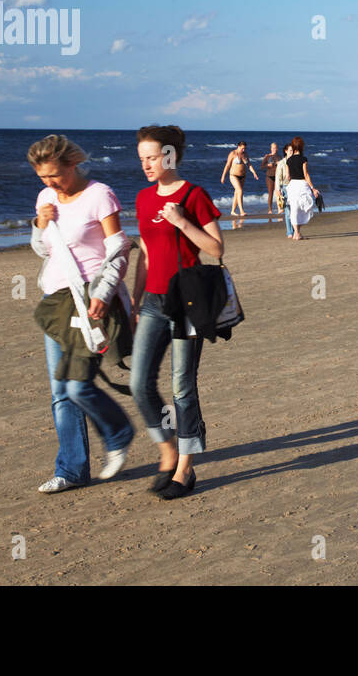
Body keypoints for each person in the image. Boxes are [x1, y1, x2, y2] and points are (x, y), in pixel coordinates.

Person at [28, 134, 135, 493]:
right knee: (60, 390)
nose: (50, 183)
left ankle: (119, 433)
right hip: (57, 302)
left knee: (76, 385)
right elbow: (41, 251)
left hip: (91, 299)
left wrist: (104, 293)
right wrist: (39, 224)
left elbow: (120, 248)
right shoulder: (45, 197)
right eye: (43, 177)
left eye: (55, 175)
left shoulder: (99, 195)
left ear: (72, 164)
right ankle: (71, 470)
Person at [131, 124, 224, 500]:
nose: (146, 165)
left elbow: (216, 249)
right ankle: (167, 448)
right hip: (153, 302)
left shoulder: (194, 195)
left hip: (187, 303)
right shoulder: (142, 198)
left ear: (170, 156)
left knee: (182, 385)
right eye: (142, 159)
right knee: (139, 384)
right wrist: (134, 299)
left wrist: (182, 222)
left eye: (152, 157)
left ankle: (186, 468)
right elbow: (146, 253)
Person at [282, 136, 319, 240]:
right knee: (307, 206)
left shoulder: (288, 160)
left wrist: (284, 187)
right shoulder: (303, 159)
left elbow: (288, 176)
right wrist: (313, 188)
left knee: (294, 209)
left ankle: (296, 233)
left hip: (292, 185)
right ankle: (297, 233)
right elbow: (306, 174)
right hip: (302, 185)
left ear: (293, 147)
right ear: (302, 146)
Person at [220, 141, 256, 218]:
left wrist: (254, 173)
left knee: (237, 193)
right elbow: (227, 165)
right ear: (238, 146)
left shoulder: (245, 154)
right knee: (240, 190)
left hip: (243, 176)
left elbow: (249, 164)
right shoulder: (233, 153)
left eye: (245, 148)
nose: (243, 150)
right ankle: (241, 210)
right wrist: (223, 176)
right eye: (242, 148)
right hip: (233, 175)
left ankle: (232, 211)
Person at [273, 140, 293, 237]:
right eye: (290, 150)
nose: (292, 152)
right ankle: (290, 232)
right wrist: (278, 190)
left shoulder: (295, 162)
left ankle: (295, 230)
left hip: (294, 187)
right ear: (285, 151)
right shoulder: (281, 163)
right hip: (285, 187)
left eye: (293, 150)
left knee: (295, 210)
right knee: (288, 211)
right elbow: (278, 178)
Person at [259, 143, 281, 215]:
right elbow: (262, 166)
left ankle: (279, 208)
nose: (274, 149)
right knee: (270, 193)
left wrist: (278, 163)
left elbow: (283, 165)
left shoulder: (279, 157)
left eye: (275, 148)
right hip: (269, 176)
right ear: (271, 148)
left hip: (277, 176)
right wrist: (267, 165)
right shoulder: (267, 156)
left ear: (277, 148)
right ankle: (270, 209)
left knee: (278, 192)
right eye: (273, 148)